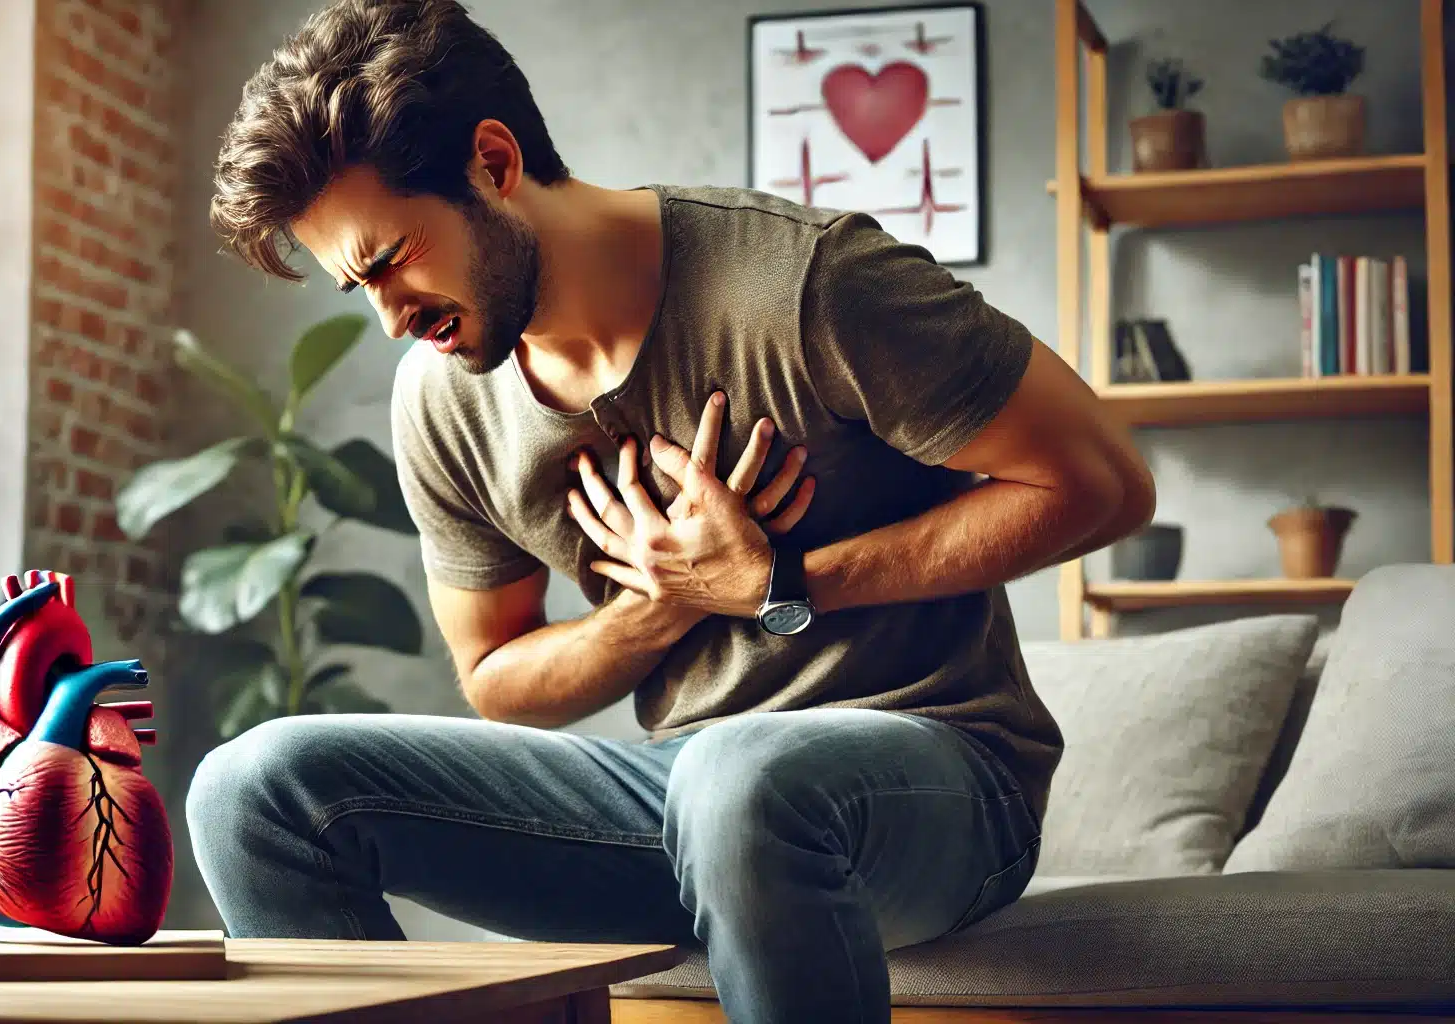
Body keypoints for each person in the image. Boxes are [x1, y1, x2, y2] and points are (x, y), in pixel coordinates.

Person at [185, 1, 1155, 1020]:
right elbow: (495, 676)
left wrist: (781, 583)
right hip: (675, 789)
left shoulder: (807, 284)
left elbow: (1100, 482)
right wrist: (662, 604)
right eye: (357, 287)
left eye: (390, 261)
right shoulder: (443, 397)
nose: (389, 319)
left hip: (938, 774)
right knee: (253, 789)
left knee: (738, 785)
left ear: (493, 163)